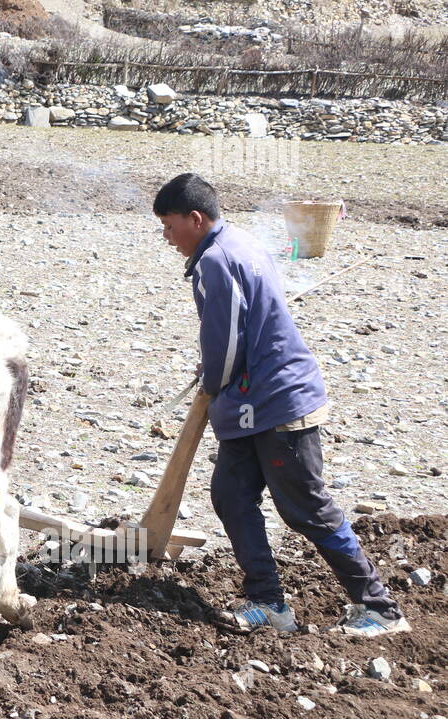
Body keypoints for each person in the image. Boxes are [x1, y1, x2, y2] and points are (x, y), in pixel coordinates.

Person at [154, 173, 410, 637]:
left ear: (195, 219)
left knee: (306, 508)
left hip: (278, 402)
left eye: (169, 226)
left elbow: (227, 339)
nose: (166, 237)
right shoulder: (239, 243)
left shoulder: (216, 259)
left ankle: (379, 608)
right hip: (253, 402)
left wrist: (212, 382)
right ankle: (268, 602)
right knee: (231, 496)